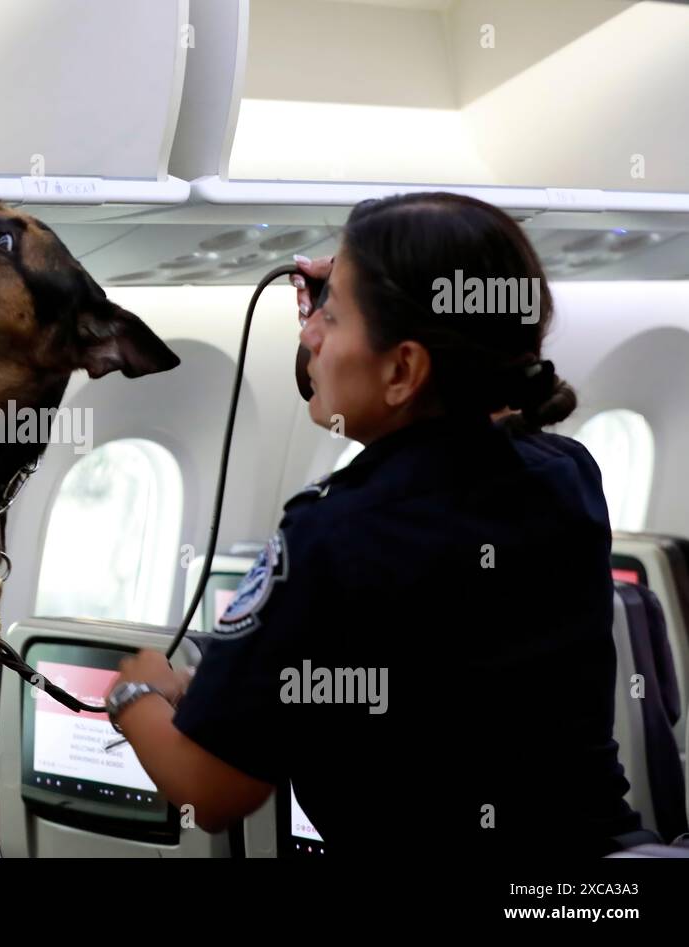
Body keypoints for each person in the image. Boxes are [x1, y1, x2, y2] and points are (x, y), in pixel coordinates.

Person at [104, 192, 643, 855]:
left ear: (404, 368)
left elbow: (211, 791)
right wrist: (367, 292)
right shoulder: (566, 474)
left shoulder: (333, 534)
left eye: (330, 316)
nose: (309, 333)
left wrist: (136, 693)